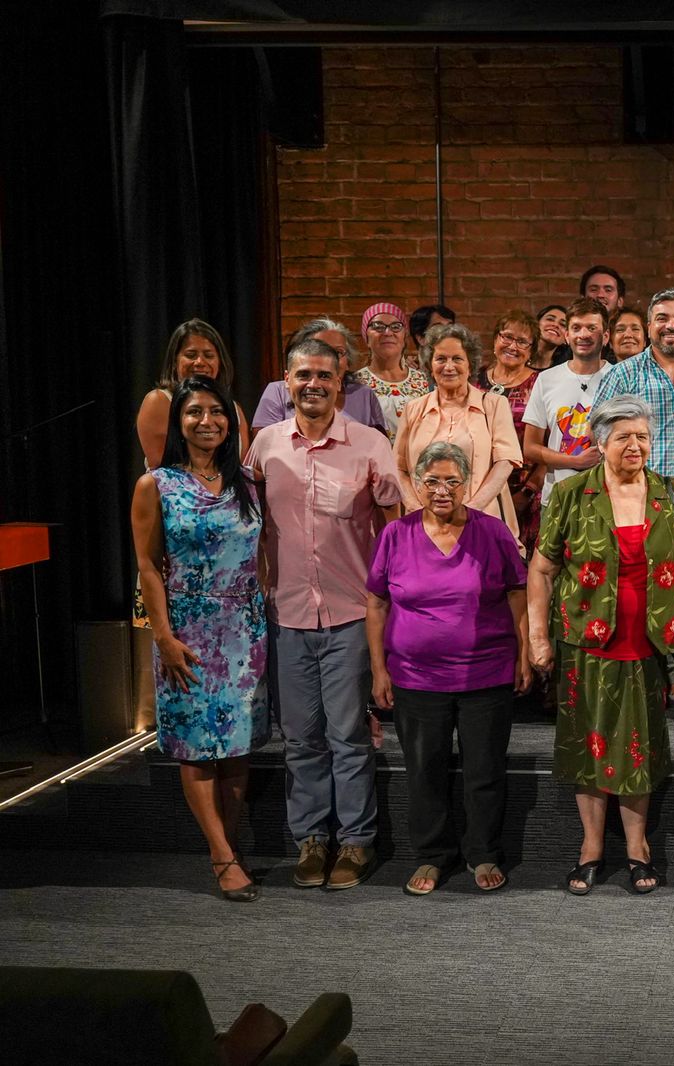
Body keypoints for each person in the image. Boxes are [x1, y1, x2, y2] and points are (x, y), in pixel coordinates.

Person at [528, 397, 674, 896]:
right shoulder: (570, 495)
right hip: (586, 640)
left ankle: (637, 846)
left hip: (649, 643)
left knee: (639, 745)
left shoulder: (673, 495)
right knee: (591, 742)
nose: (635, 445)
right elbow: (542, 570)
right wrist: (537, 636)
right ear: (600, 442)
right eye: (624, 436)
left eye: (643, 437)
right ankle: (590, 847)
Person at [248, 338, 403, 892]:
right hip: (288, 613)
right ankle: (310, 840)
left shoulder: (368, 444)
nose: (312, 384)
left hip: (349, 614)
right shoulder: (265, 445)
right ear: (286, 382)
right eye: (302, 375)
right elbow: (249, 521)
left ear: (341, 384)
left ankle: (356, 844)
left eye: (324, 376)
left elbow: (394, 522)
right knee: (300, 738)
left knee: (347, 735)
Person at [366, 441, 532, 895]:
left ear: (468, 485)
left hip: (486, 674)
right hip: (416, 678)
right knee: (424, 769)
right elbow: (377, 603)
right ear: (418, 485)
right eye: (432, 481)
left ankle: (483, 853)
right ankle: (433, 855)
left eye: (452, 481)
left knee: (484, 770)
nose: (442, 490)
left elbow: (518, 593)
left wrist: (524, 652)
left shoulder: (494, 532)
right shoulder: (395, 535)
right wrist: (379, 671)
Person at [130, 375, 269, 902]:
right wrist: (162, 636)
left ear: (230, 422)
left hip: (244, 628)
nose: (207, 421)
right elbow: (147, 565)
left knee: (237, 748)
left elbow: (261, 556)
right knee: (197, 749)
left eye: (216, 411)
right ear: (178, 423)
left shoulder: (250, 482)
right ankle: (220, 855)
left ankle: (229, 845)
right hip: (187, 628)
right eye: (194, 413)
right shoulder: (156, 484)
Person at [393, 323, 522, 537]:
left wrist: (471, 510)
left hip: (481, 521)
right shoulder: (413, 409)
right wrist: (416, 510)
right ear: (430, 365)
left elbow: (505, 462)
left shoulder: (494, 405)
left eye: (457, 359)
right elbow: (398, 468)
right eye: (441, 359)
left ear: (470, 365)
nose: (449, 366)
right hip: (423, 526)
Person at [593, 287, 674, 493]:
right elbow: (597, 434)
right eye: (662, 318)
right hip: (637, 503)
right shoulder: (622, 375)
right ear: (650, 326)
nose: (671, 325)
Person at [523, 298, 615, 507]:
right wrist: (574, 461)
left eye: (592, 328)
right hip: (557, 499)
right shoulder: (546, 379)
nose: (583, 334)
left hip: (606, 500)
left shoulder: (619, 378)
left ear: (606, 336)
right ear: (567, 336)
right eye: (576, 328)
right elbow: (530, 447)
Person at [137, 318, 251, 469]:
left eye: (209, 355)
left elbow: (241, 468)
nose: (199, 362)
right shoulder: (159, 401)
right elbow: (161, 469)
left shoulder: (234, 409)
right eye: (191, 355)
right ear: (175, 361)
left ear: (220, 362)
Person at [476, 311, 543, 552]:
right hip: (477, 489)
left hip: (523, 492)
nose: (513, 346)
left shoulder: (541, 383)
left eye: (522, 341)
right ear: (495, 340)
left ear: (531, 349)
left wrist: (528, 492)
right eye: (507, 337)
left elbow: (551, 445)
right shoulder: (473, 379)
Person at [254, 319, 388, 435]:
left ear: (348, 362)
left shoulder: (363, 394)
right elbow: (266, 446)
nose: (329, 359)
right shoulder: (277, 391)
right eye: (320, 349)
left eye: (338, 352)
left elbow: (379, 445)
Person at [355, 302, 432, 437]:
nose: (388, 332)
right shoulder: (355, 384)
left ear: (404, 337)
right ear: (366, 337)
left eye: (396, 327)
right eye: (378, 327)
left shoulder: (425, 381)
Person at [533, 304, 568, 369]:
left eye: (563, 324)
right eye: (550, 319)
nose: (555, 325)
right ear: (537, 323)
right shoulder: (517, 357)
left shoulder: (566, 368)